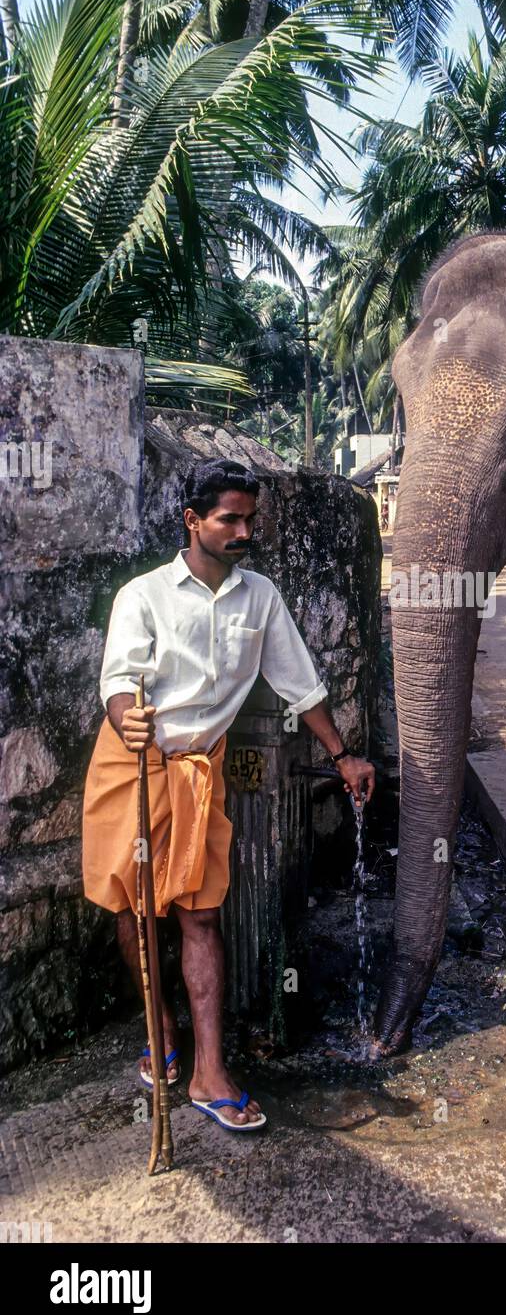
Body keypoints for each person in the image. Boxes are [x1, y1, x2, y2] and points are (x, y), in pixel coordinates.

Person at [81, 458, 375, 1131]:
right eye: (230, 519)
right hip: (132, 764)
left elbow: (300, 685)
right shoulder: (144, 596)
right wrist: (128, 714)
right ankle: (160, 1032)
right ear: (193, 521)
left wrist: (344, 755)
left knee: (201, 915)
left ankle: (210, 1073)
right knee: (133, 908)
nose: (245, 530)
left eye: (251, 518)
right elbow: (119, 679)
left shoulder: (261, 598)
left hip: (198, 773)